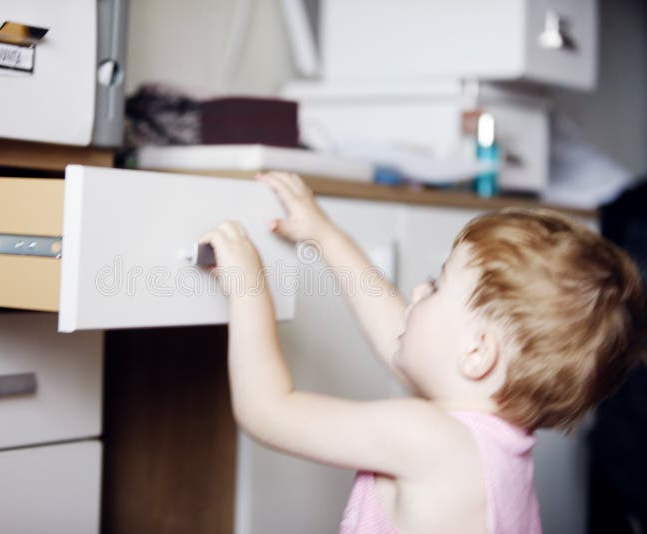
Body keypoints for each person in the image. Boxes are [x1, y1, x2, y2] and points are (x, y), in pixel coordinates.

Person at [199, 172, 646, 534]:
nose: (417, 289)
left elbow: (267, 410)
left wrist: (248, 288)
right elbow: (396, 333)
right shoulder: (491, 446)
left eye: (436, 285)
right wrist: (323, 234)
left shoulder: (428, 439)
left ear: (477, 353)